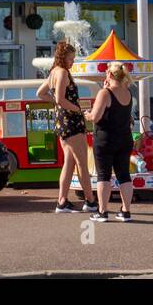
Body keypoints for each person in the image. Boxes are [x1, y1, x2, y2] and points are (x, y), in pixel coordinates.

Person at [36, 41, 97, 214]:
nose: (72, 62)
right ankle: (90, 201)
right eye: (71, 59)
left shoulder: (53, 72)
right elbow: (62, 99)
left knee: (69, 164)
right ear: (63, 58)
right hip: (71, 122)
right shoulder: (62, 73)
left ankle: (62, 202)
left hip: (61, 122)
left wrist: (56, 101)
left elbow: (40, 93)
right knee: (82, 163)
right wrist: (78, 109)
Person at [86, 64, 136, 222]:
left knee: (103, 176)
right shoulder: (127, 92)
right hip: (124, 139)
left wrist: (87, 114)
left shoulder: (105, 93)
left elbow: (95, 116)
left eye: (106, 72)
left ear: (109, 74)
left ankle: (102, 212)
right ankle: (126, 211)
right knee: (124, 175)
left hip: (105, 139)